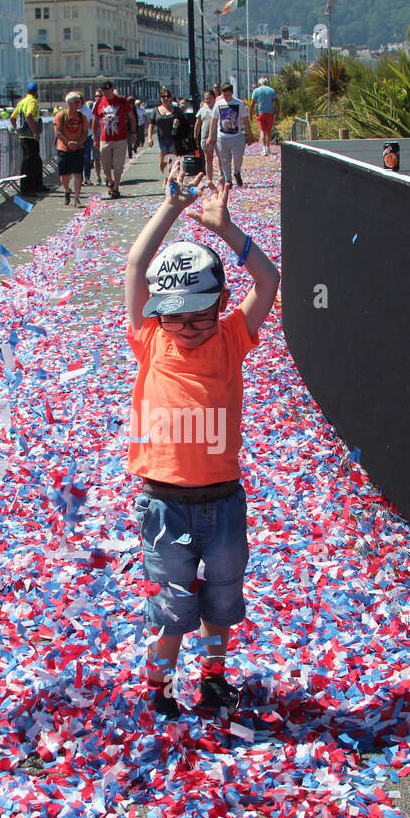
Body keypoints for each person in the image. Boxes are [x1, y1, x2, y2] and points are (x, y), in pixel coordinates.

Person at [123, 165, 279, 720]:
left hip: (223, 501)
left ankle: (213, 678)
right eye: (177, 319)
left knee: (222, 601)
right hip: (163, 502)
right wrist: (168, 208)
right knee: (171, 610)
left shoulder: (234, 336)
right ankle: (159, 690)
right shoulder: (148, 339)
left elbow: (268, 281)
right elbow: (138, 266)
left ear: (220, 306)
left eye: (201, 317)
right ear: (157, 316)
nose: (188, 328)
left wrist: (225, 229)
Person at [94, 81, 135, 199]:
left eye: (109, 90)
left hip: (120, 139)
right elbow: (95, 121)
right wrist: (95, 138)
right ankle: (110, 181)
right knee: (105, 165)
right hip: (104, 139)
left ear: (113, 89)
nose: (107, 93)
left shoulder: (122, 100)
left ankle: (116, 187)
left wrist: (133, 133)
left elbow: (131, 117)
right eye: (104, 91)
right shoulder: (99, 103)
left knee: (118, 165)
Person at [11, 81, 47, 195]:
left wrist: (17, 130)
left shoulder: (22, 101)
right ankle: (27, 188)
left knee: (35, 161)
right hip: (30, 136)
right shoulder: (32, 101)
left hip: (23, 135)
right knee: (29, 162)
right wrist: (35, 132)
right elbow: (29, 116)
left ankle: (37, 185)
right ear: (36, 91)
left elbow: (12, 118)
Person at [55, 91, 89, 205]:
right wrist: (68, 142)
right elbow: (58, 132)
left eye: (78, 102)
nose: (77, 104)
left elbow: (85, 134)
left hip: (78, 148)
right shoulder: (61, 115)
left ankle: (77, 197)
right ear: (69, 103)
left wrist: (78, 143)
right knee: (64, 175)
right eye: (75, 102)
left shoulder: (82, 117)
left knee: (78, 174)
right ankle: (67, 190)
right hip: (64, 148)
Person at [211, 82, 247, 187]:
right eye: (224, 94)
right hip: (222, 136)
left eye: (228, 94)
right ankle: (228, 180)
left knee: (238, 157)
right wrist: (210, 136)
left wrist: (249, 133)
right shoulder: (218, 104)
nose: (227, 97)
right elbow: (214, 120)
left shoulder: (239, 103)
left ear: (232, 93)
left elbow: (245, 119)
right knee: (225, 159)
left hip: (237, 136)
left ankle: (237, 172)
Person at [148, 87, 187, 181]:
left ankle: (170, 181)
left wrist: (179, 123)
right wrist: (149, 137)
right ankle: (167, 177)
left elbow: (185, 123)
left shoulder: (177, 110)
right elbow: (151, 125)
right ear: (160, 98)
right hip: (161, 139)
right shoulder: (156, 110)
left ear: (170, 98)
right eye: (163, 96)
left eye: (167, 96)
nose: (165, 98)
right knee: (162, 163)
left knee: (172, 162)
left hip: (174, 139)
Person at [251, 77, 278, 156]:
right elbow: (276, 102)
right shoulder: (271, 90)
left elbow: (252, 104)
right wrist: (277, 112)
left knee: (262, 131)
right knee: (268, 131)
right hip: (270, 113)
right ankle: (268, 148)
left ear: (259, 83)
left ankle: (264, 149)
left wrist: (250, 114)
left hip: (260, 113)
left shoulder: (256, 91)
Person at [195, 89, 217, 181]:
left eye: (209, 98)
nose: (207, 100)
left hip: (218, 137)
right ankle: (209, 179)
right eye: (206, 99)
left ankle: (223, 177)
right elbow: (198, 124)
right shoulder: (202, 109)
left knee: (222, 158)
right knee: (208, 158)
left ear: (214, 98)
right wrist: (195, 136)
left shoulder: (217, 108)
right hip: (205, 137)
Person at [81, 94, 96, 184]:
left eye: (78, 101)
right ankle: (79, 178)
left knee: (86, 157)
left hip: (87, 136)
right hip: (76, 137)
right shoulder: (73, 110)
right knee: (78, 158)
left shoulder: (87, 110)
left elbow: (91, 124)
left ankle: (87, 177)